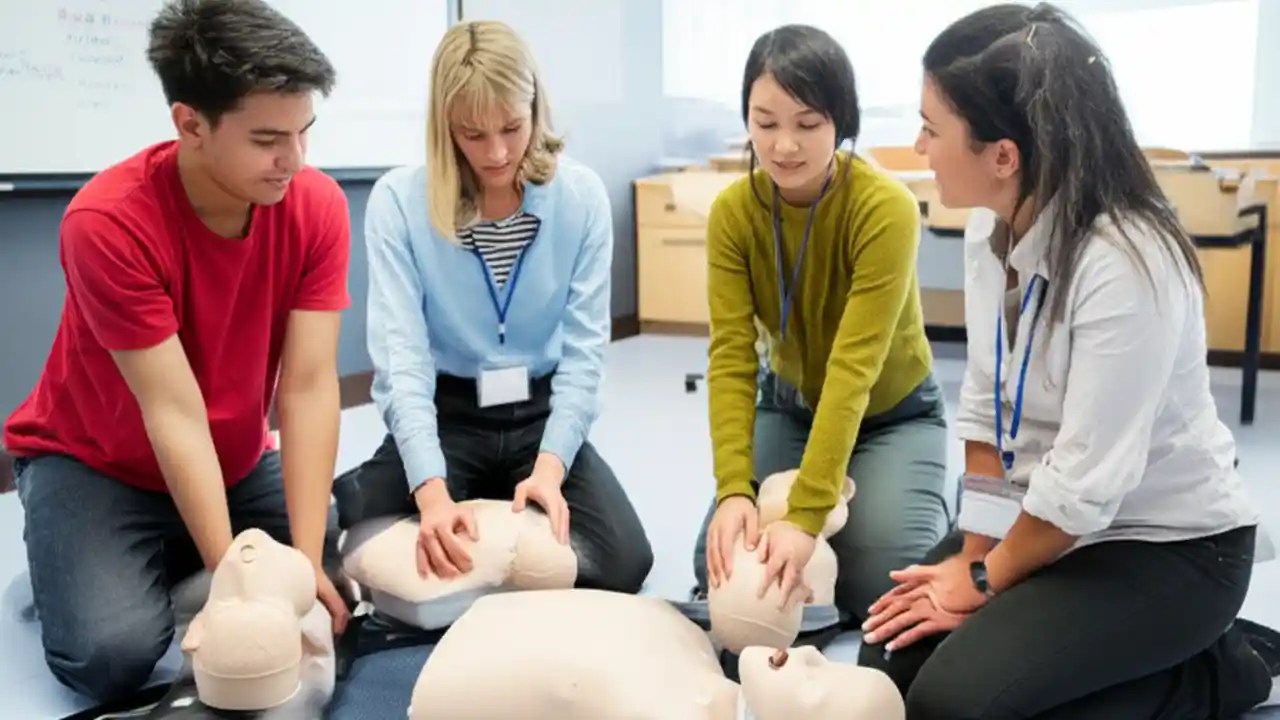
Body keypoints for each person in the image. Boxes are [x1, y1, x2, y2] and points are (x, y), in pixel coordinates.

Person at [858, 3, 1280, 718]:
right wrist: (970, 556)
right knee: (888, 661)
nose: (919, 147)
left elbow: (1087, 483)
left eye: (931, 128)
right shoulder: (991, 229)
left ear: (1003, 155)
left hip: (1166, 546)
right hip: (1044, 520)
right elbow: (987, 412)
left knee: (957, 705)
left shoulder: (1127, 261)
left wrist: (987, 583)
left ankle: (1222, 669)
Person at [1, 0, 352, 704]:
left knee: (328, 541)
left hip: (230, 455)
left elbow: (310, 387)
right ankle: (82, 556)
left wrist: (304, 565)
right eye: (265, 139)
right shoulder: (106, 224)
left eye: (303, 131)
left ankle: (149, 559)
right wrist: (238, 586)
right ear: (189, 123)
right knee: (110, 657)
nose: (294, 159)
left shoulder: (316, 207)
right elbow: (173, 410)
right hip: (97, 462)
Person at [334, 20, 653, 595]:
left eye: (513, 126)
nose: (498, 152)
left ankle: (506, 506)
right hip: (448, 412)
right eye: (473, 135)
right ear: (444, 128)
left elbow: (585, 358)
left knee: (625, 562)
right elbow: (402, 360)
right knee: (337, 523)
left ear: (536, 106)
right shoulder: (399, 204)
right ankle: (404, 494)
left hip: (540, 411)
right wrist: (431, 491)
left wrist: (551, 469)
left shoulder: (580, 199)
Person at [691, 24, 950, 622]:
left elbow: (853, 369)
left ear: (842, 120)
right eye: (765, 122)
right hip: (789, 407)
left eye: (808, 124)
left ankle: (932, 497)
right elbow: (731, 355)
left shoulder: (884, 208)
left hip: (893, 415)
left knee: (874, 588)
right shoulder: (733, 215)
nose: (784, 145)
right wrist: (733, 488)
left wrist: (806, 515)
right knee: (729, 568)